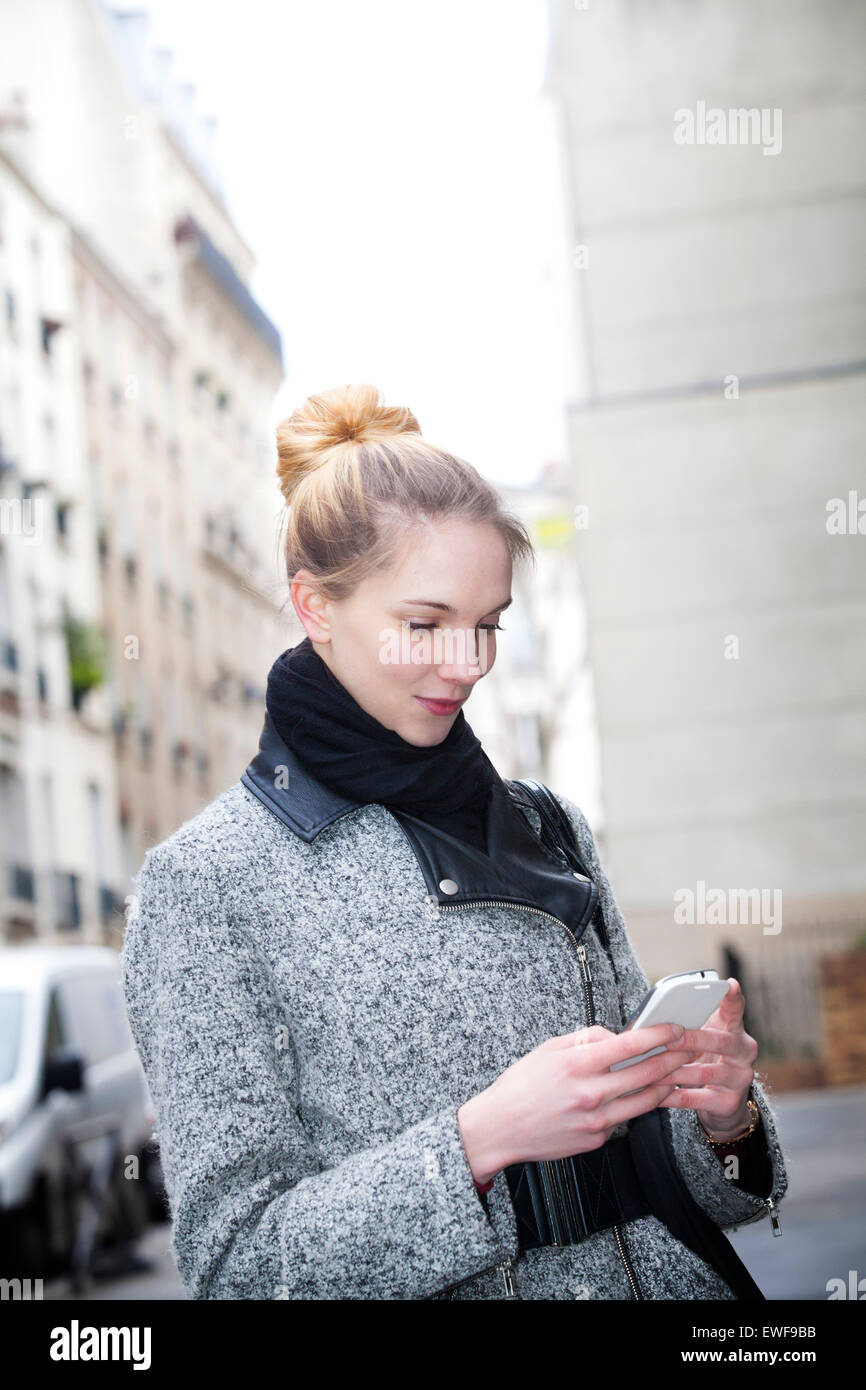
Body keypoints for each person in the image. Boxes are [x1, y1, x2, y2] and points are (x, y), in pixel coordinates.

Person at [120, 383, 788, 1300]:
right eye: (425, 625)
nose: (467, 665)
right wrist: (478, 1141)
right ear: (315, 606)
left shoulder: (549, 823)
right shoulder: (208, 884)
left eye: (488, 625)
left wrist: (722, 1121)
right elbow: (238, 1267)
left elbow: (672, 1167)